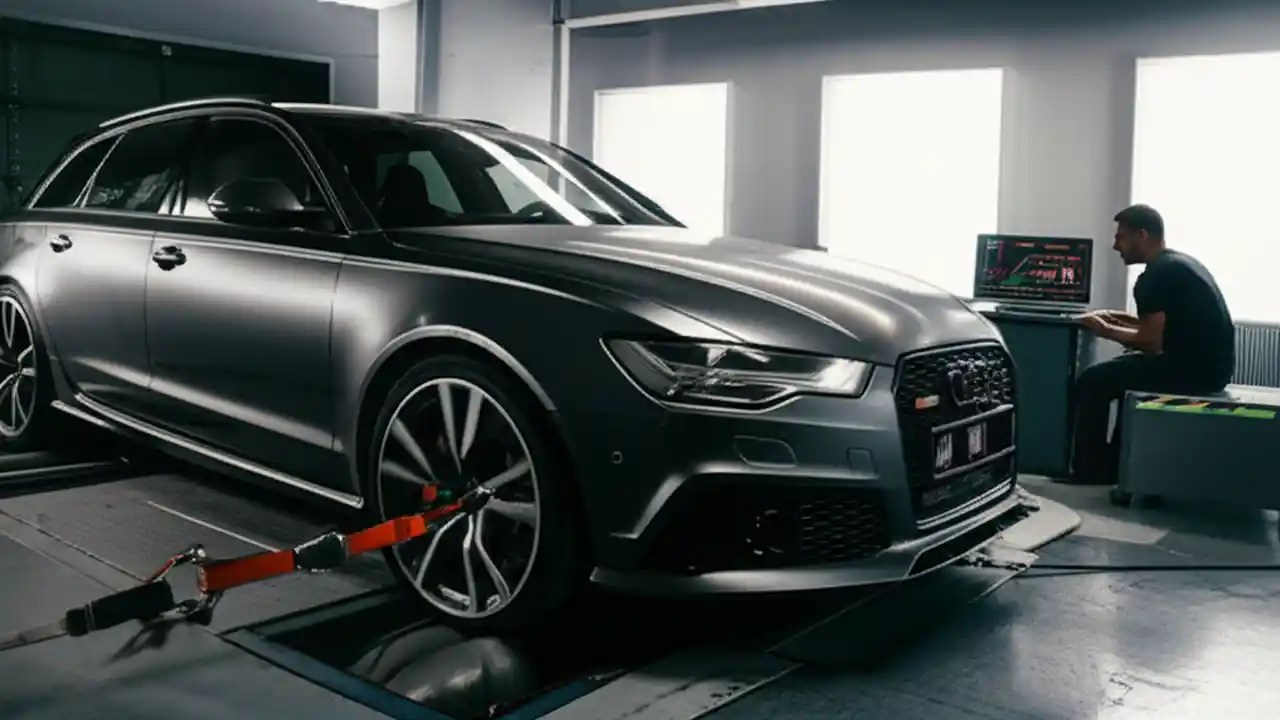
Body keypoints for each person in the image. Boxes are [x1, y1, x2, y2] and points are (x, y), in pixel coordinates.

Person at [1065, 204, 1234, 485]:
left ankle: (1091, 469)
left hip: (1192, 372)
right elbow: (1163, 326)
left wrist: (1104, 329)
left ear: (1141, 235)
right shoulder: (1177, 263)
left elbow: (1151, 342)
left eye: (1121, 238)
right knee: (1123, 373)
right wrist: (1112, 316)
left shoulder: (1153, 278)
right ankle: (1114, 462)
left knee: (1093, 380)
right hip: (1213, 368)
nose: (1115, 246)